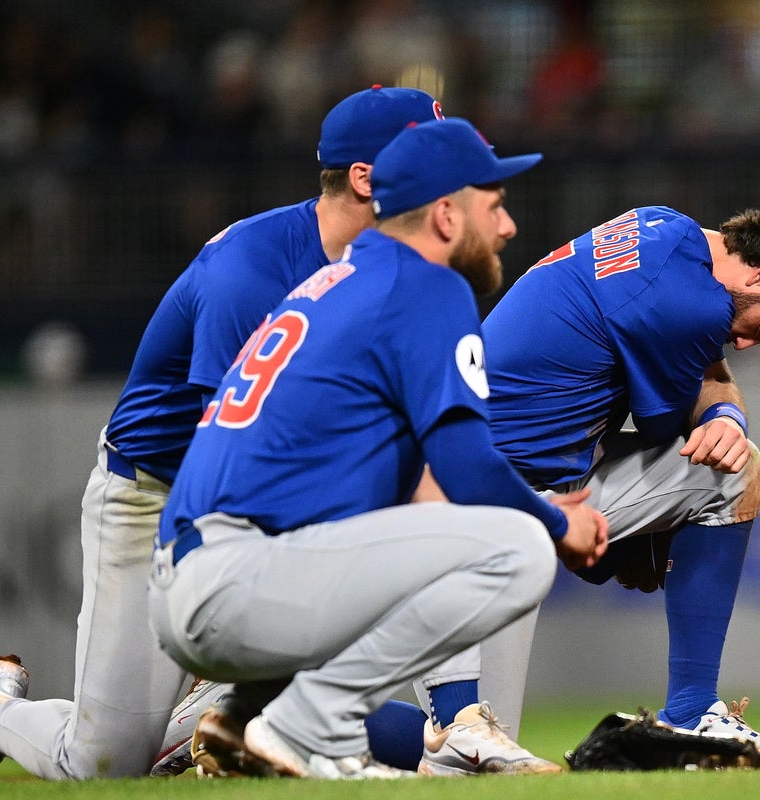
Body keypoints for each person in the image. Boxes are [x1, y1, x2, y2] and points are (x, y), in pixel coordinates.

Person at [0, 85, 447, 783]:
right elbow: (238, 466)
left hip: (270, 504)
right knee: (101, 765)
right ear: (366, 178)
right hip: (157, 498)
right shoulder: (250, 274)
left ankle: (229, 710)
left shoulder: (400, 274)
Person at [146, 117, 609, 780]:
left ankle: (258, 720)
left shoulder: (346, 279)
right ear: (446, 216)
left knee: (423, 523)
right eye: (496, 206)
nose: (507, 227)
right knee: (522, 549)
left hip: (192, 581)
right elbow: (467, 467)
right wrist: (560, 522)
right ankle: (305, 726)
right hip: (236, 580)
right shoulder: (425, 286)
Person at [415, 205, 760, 770]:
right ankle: (688, 715)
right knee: (731, 468)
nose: (743, 346)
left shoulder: (664, 227)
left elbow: (706, 382)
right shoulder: (687, 307)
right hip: (482, 500)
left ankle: (313, 732)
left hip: (493, 480)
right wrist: (641, 538)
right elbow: (681, 418)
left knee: (471, 745)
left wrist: (726, 419)